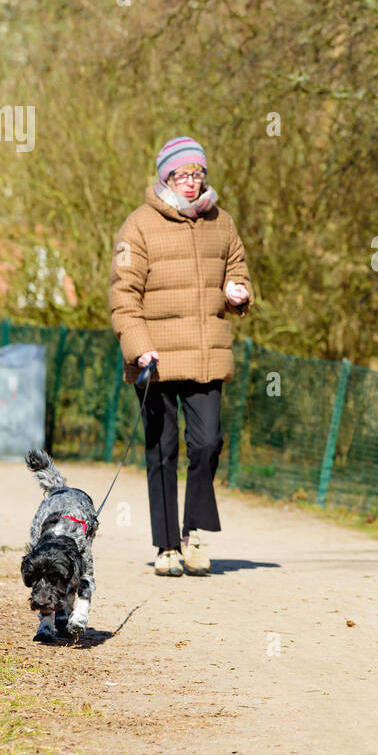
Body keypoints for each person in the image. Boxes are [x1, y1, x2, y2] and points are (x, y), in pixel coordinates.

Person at [109, 135, 253, 576]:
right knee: (163, 449)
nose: (191, 182)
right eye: (182, 174)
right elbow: (123, 294)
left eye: (198, 173)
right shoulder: (137, 225)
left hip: (206, 355)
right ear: (165, 176)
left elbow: (238, 270)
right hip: (153, 357)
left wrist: (239, 292)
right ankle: (166, 546)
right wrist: (138, 346)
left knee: (208, 444)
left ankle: (191, 537)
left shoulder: (221, 222)